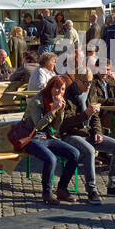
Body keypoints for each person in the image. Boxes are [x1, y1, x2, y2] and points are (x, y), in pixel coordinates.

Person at [62, 71, 115, 202]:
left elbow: (95, 116)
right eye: (86, 82)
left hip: (88, 132)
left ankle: (114, 186)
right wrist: (85, 114)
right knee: (89, 151)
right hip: (71, 134)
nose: (89, 85)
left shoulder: (91, 90)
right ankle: (91, 190)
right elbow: (65, 123)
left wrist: (98, 132)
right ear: (77, 81)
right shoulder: (67, 94)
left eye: (90, 82)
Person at [20, 75, 80, 206]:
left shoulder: (56, 101)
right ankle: (47, 193)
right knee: (51, 159)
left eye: (62, 89)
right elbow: (37, 126)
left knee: (75, 154)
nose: (59, 92)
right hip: (31, 138)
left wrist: (61, 111)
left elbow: (55, 128)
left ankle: (62, 189)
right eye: (57, 88)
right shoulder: (37, 101)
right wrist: (54, 111)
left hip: (47, 137)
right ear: (50, 87)